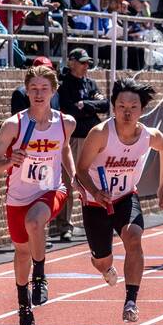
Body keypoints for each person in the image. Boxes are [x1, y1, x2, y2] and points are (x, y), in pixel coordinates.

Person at [0, 65, 77, 325]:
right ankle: (23, 300)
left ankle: (40, 275)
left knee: (36, 222)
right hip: (18, 196)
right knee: (21, 251)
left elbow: (65, 150)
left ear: (53, 91)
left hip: (51, 188)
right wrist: (8, 160)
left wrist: (75, 180)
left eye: (44, 89)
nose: (39, 94)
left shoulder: (65, 122)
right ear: (26, 91)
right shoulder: (14, 125)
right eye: (34, 89)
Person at [76, 79, 163, 324]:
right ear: (113, 108)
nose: (127, 112)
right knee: (102, 261)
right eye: (121, 106)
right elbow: (81, 170)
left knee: (133, 237)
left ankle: (131, 300)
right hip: (96, 202)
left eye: (133, 107)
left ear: (141, 110)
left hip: (126, 197)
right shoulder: (100, 134)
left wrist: (162, 187)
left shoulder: (148, 136)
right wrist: (96, 192)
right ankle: (105, 268)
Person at [50, 47, 107, 240]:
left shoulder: (90, 83)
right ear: (71, 62)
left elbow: (105, 104)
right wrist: (87, 107)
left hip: (92, 138)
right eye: (82, 62)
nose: (86, 66)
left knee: (97, 179)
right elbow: (71, 111)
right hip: (72, 138)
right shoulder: (64, 85)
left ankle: (100, 219)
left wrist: (87, 105)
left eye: (87, 63)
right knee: (69, 181)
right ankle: (65, 227)